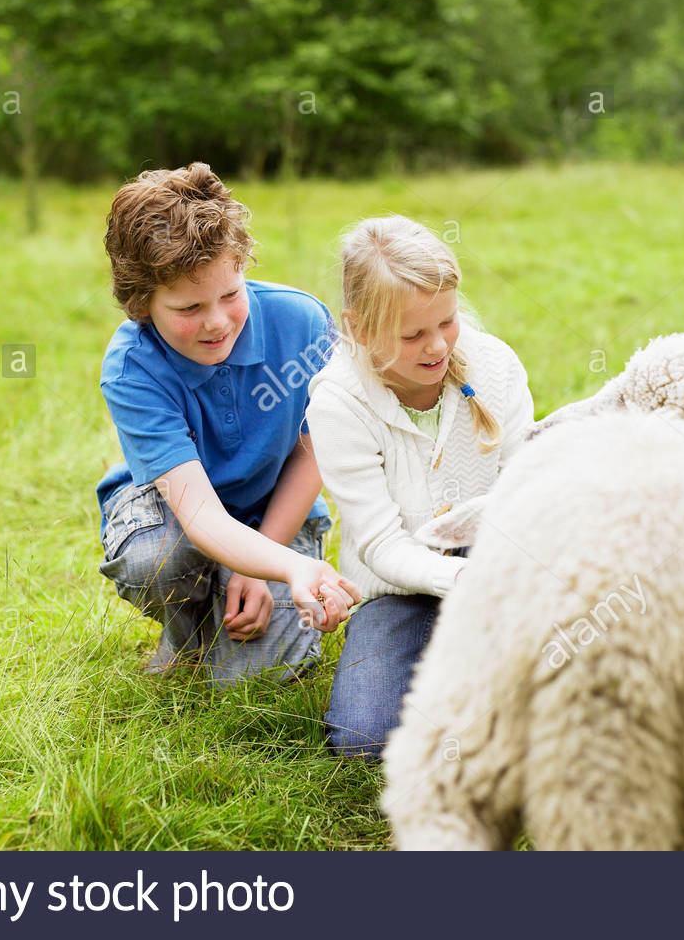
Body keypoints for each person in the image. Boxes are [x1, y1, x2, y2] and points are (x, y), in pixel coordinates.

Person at [94, 162, 359, 685]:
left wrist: (268, 559)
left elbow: (314, 452)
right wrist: (288, 570)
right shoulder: (131, 367)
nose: (217, 321)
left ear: (242, 266)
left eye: (231, 295)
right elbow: (200, 516)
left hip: (276, 511)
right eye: (189, 307)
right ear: (142, 305)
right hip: (178, 515)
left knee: (254, 681)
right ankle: (185, 634)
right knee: (157, 562)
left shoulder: (303, 323)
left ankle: (223, 625)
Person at [305, 215, 534, 757]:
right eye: (412, 335)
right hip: (399, 589)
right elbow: (381, 544)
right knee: (364, 739)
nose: (437, 346)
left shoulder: (494, 367)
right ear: (358, 328)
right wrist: (460, 577)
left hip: (500, 567)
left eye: (447, 323)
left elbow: (526, 487)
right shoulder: (339, 401)